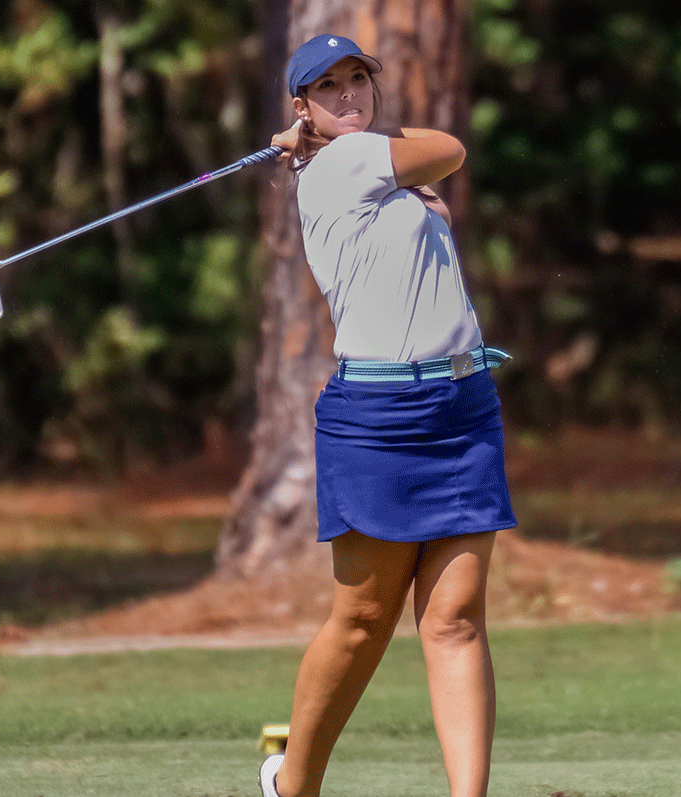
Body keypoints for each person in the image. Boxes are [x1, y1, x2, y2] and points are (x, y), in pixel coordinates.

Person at [258, 34, 517, 797]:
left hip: (463, 406)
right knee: (363, 620)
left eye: (358, 79)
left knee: (456, 616)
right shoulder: (345, 163)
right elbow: (451, 148)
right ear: (301, 106)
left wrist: (315, 139)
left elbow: (427, 172)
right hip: (381, 418)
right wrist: (325, 143)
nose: (349, 94)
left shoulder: (365, 163)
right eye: (328, 87)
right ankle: (293, 783)